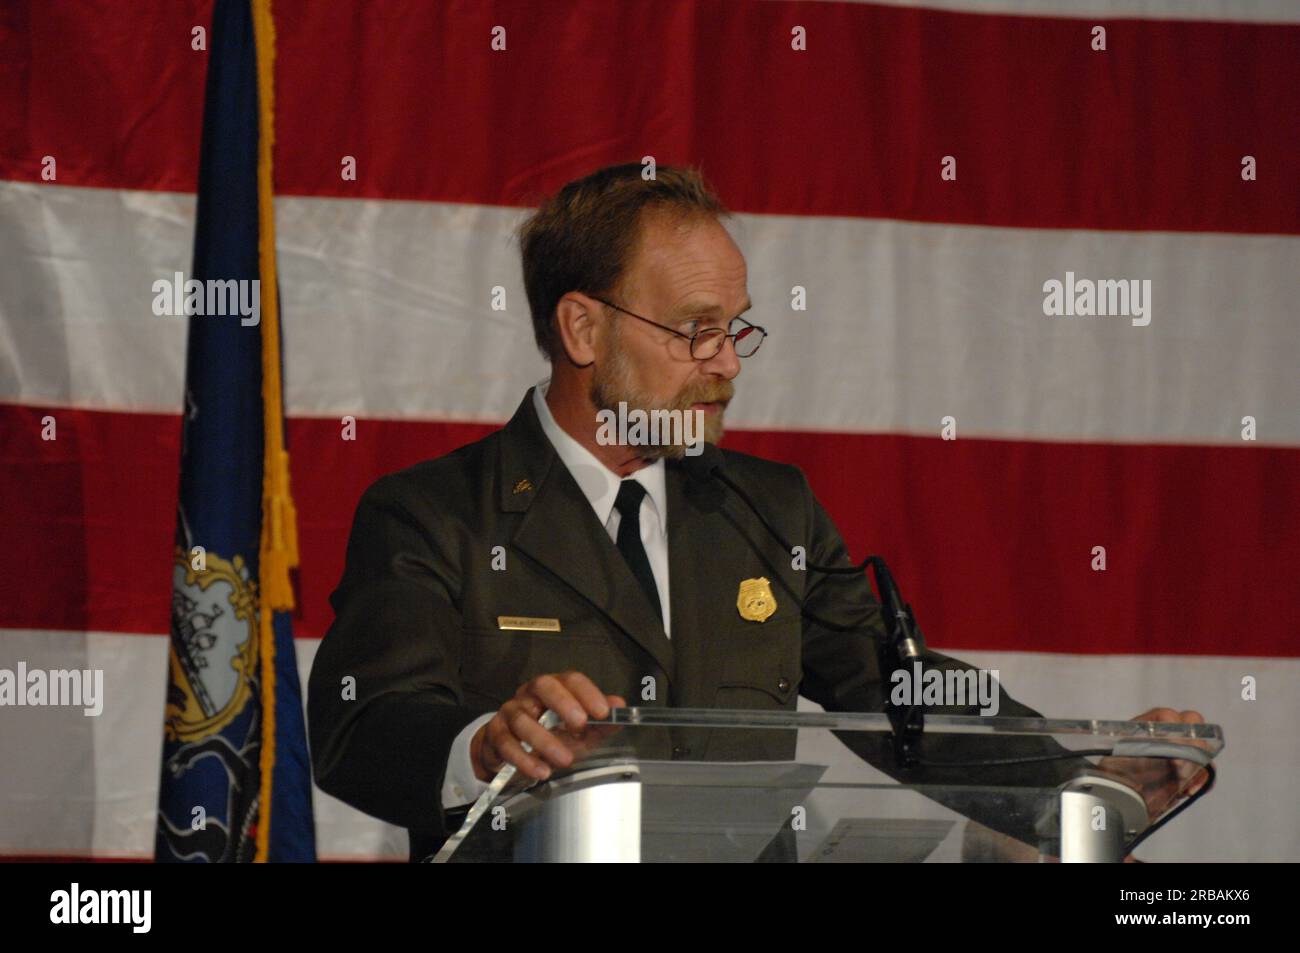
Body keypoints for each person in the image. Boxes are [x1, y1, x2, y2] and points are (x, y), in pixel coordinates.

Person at [307, 163, 1207, 861]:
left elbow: (897, 692)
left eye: (735, 327)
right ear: (583, 329)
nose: (729, 362)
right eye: (696, 329)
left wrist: (1075, 776)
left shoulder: (771, 510)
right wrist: (484, 745)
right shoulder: (435, 514)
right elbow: (360, 728)